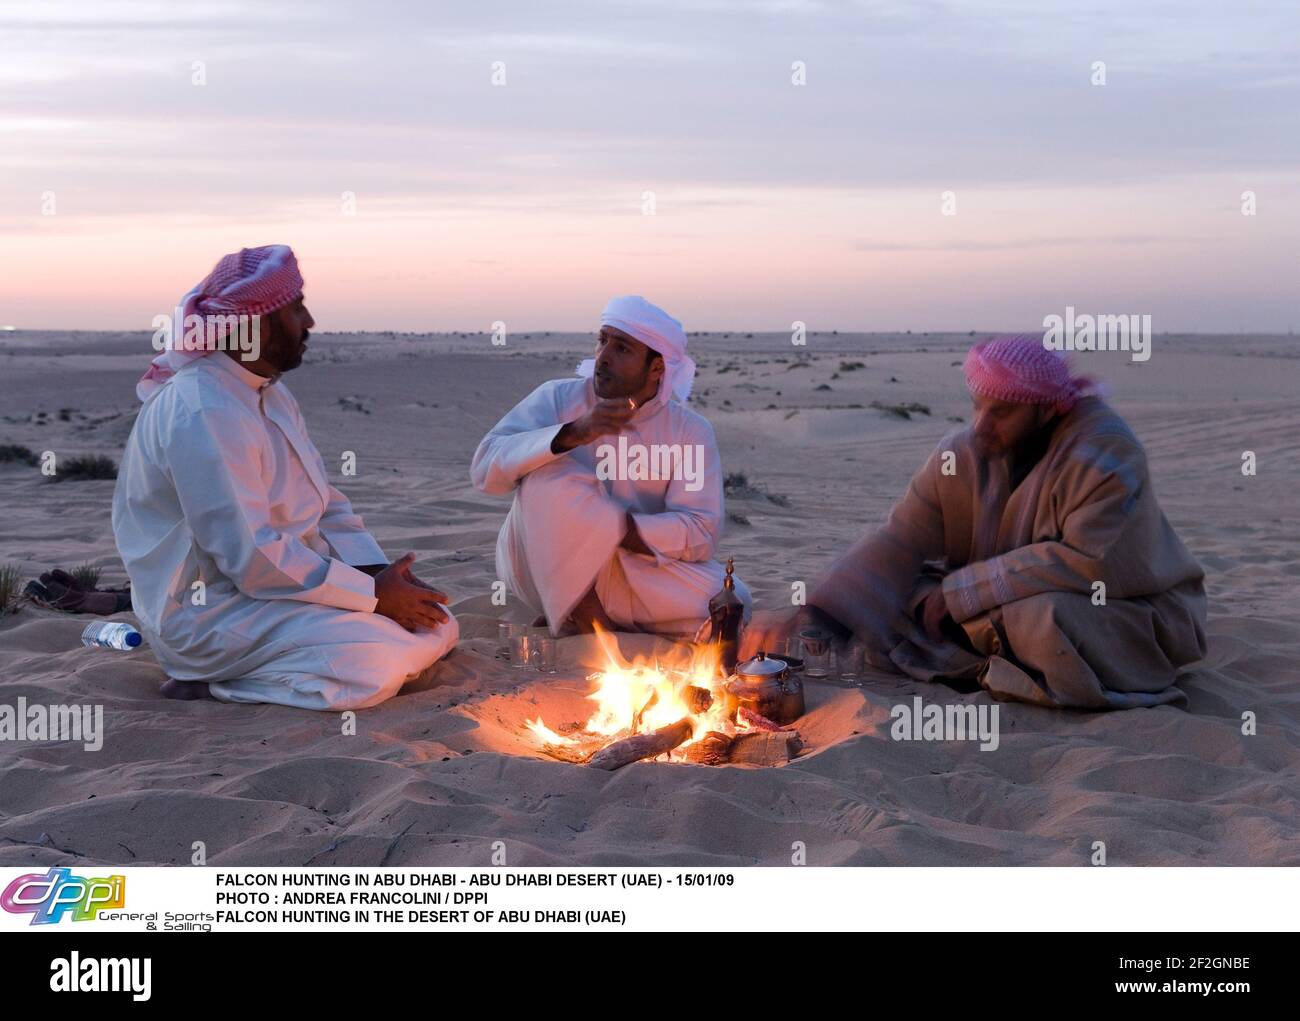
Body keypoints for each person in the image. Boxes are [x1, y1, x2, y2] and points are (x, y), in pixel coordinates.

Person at [745, 334, 1206, 710]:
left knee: (1044, 620)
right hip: (989, 600)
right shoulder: (963, 452)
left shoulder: (1104, 451)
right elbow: (900, 539)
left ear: (1047, 408)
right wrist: (819, 613)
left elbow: (1092, 562)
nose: (981, 424)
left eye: (1001, 412)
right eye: (977, 406)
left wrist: (964, 592)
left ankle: (986, 647)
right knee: (889, 594)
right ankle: (983, 645)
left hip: (1123, 610)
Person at [112, 244, 458, 709]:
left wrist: (378, 575)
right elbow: (251, 557)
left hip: (282, 592)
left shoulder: (269, 393)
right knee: (369, 663)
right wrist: (372, 597)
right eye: (296, 309)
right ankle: (206, 680)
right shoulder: (204, 409)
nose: (310, 321)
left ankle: (340, 640)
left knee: (438, 621)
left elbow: (325, 501)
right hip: (212, 612)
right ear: (256, 324)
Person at [471, 295, 749, 636]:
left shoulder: (689, 431)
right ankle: (587, 619)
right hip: (542, 563)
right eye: (603, 340)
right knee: (551, 477)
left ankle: (585, 616)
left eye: (622, 349)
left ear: (657, 367)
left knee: (732, 602)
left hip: (630, 570)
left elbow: (701, 531)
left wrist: (613, 529)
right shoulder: (558, 399)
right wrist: (570, 434)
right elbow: (485, 470)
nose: (603, 358)